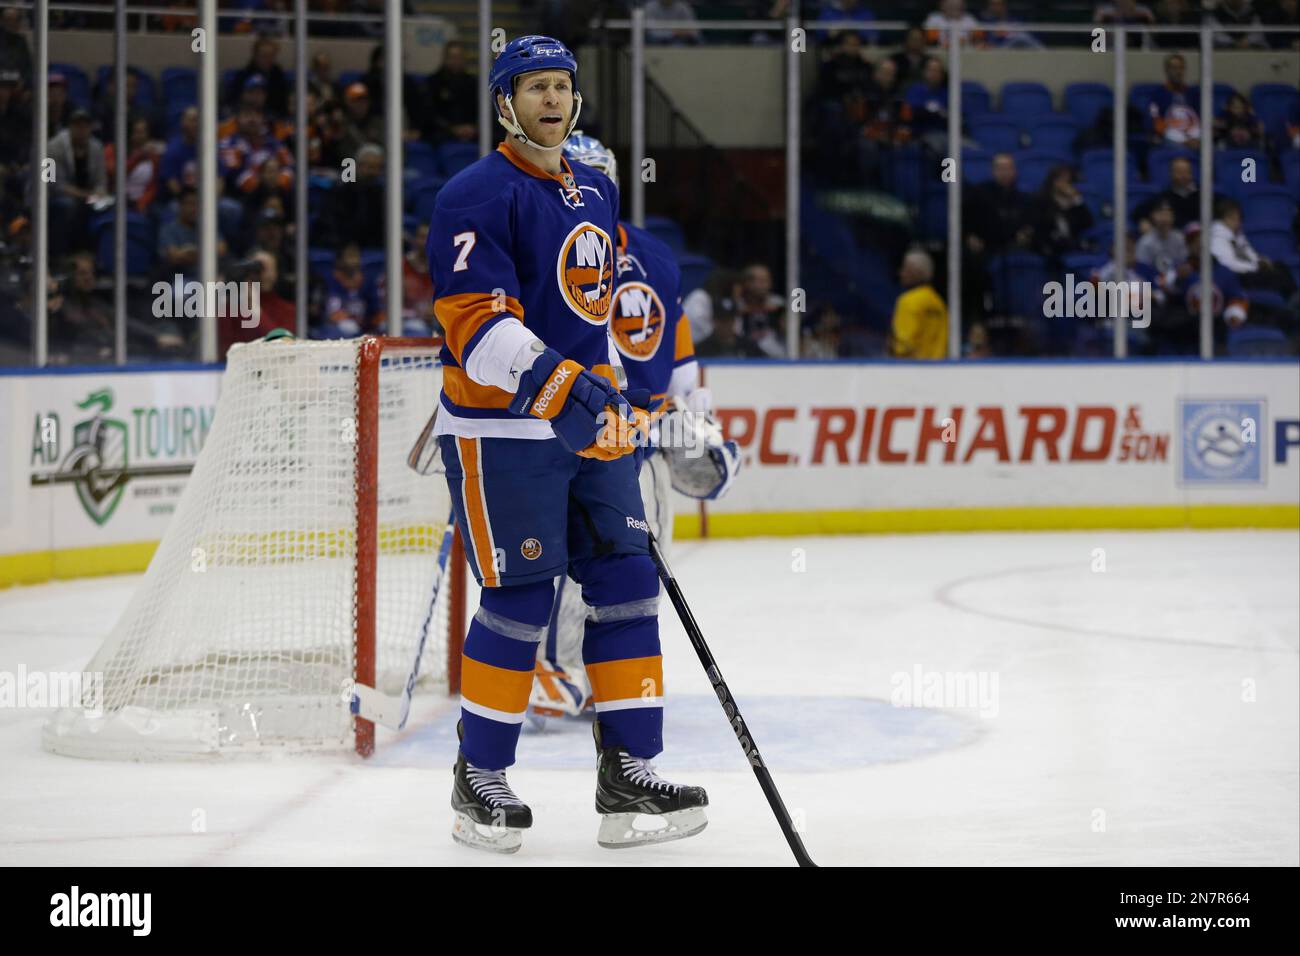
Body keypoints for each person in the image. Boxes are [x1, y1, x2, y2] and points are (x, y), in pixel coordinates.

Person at [426, 35, 706, 854]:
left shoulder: (596, 192)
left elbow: (600, 319)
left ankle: (630, 776)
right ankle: (479, 781)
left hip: (586, 425)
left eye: (562, 86)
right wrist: (568, 388)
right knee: (521, 597)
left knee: (625, 583)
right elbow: (475, 328)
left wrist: (609, 390)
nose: (551, 99)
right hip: (502, 432)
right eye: (534, 87)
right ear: (505, 103)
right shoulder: (472, 195)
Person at [527, 132, 740, 723]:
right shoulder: (537, 253)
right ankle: (546, 671)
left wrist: (697, 421)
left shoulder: (655, 257)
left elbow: (677, 353)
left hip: (636, 443)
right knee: (565, 560)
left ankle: (600, 675)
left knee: (635, 566)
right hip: (565, 436)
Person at [889, 248, 948, 359]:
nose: (901, 273)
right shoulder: (938, 302)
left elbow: (902, 347)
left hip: (912, 370)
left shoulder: (908, 301)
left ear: (916, 272)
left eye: (905, 269)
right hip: (938, 369)